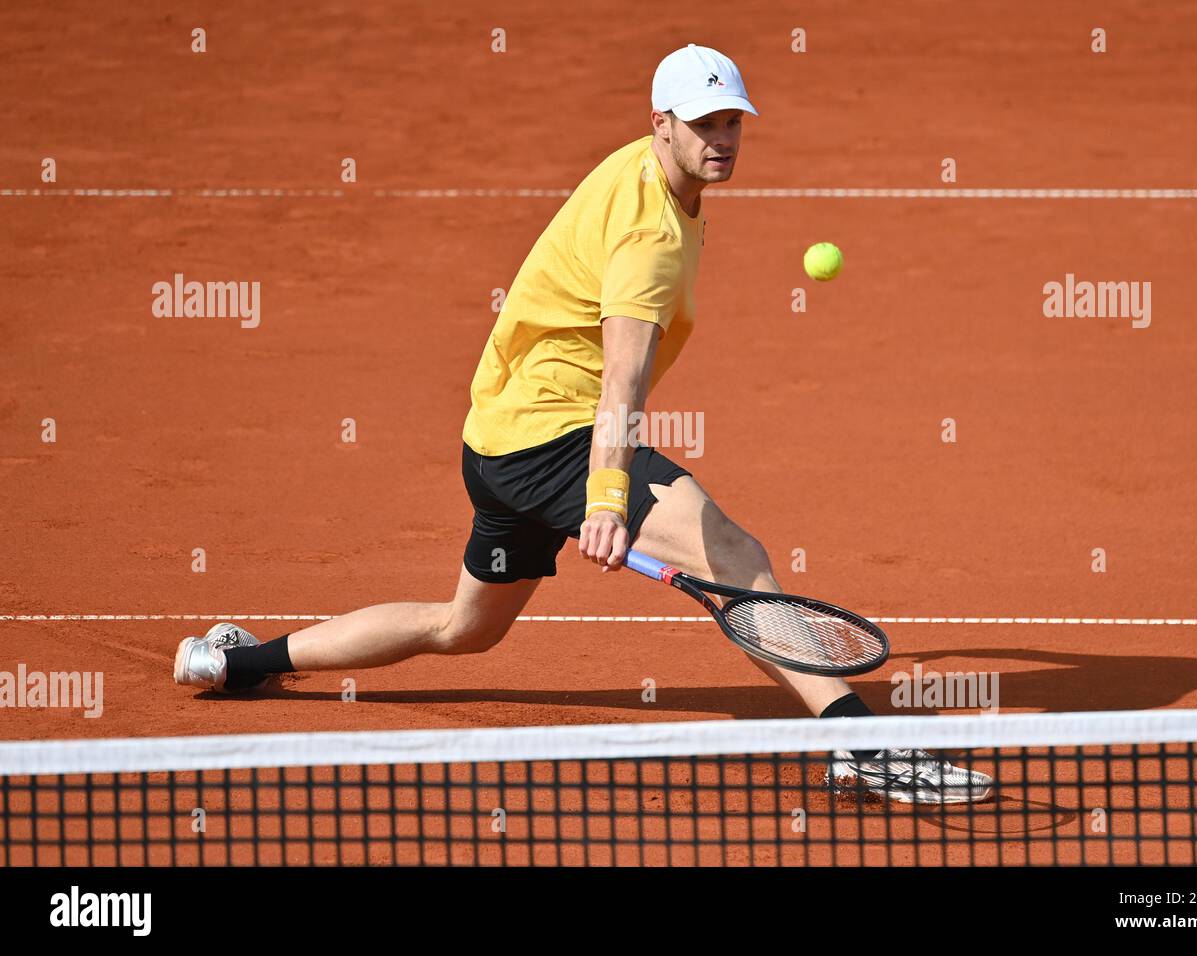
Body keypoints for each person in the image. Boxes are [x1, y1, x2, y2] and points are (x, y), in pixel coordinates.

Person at [175, 44, 991, 805]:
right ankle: (865, 749)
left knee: (461, 629)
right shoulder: (650, 240)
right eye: (703, 124)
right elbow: (623, 388)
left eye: (731, 121)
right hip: (557, 439)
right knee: (738, 558)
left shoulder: (640, 172)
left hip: (498, 438)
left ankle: (233, 662)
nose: (722, 139)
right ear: (661, 123)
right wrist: (604, 501)